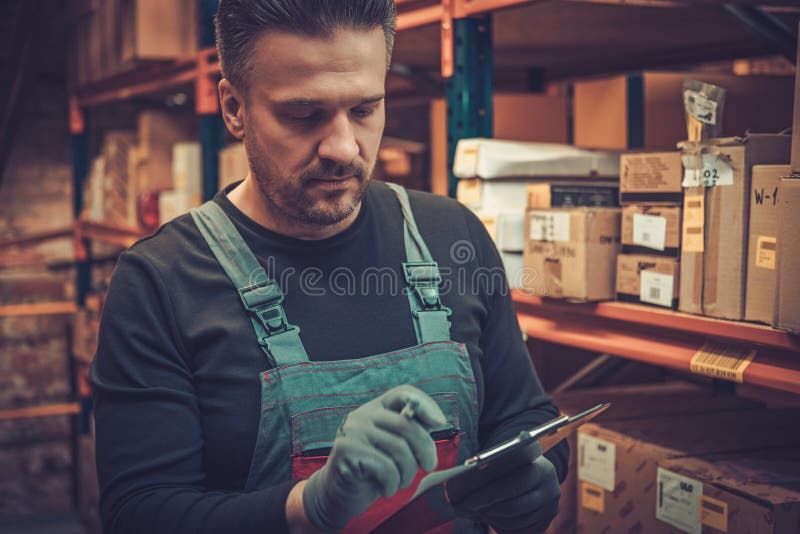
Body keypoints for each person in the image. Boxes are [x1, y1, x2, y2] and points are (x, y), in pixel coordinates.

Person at [90, 1, 568, 532]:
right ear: (234, 108)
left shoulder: (453, 236)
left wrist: (538, 474)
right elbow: (139, 514)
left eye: (364, 110)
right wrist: (306, 509)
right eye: (303, 114)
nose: (343, 148)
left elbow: (525, 415)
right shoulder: (159, 282)